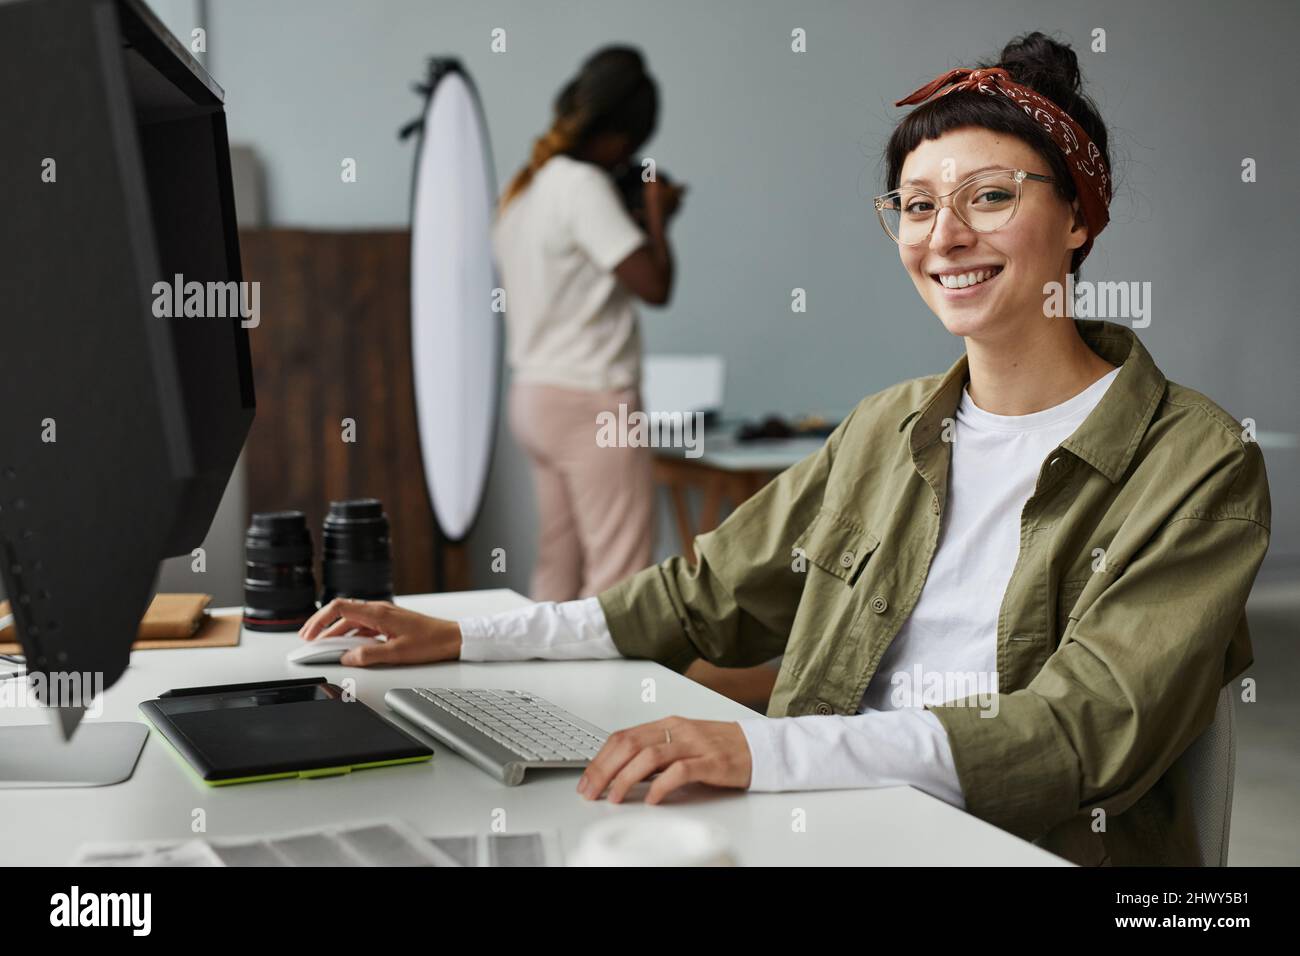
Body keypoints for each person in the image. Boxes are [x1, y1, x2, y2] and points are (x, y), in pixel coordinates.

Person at [300, 33, 1270, 866]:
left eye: (988, 196)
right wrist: (468, 633)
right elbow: (695, 594)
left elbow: (1081, 731)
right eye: (916, 203)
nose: (944, 235)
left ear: (1078, 217)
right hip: (829, 827)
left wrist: (762, 753)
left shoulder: (1196, 461)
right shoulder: (884, 427)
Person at [492, 46, 683, 602]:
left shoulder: (525, 187)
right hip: (592, 401)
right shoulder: (583, 187)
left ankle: (542, 691)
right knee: (619, 576)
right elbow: (655, 287)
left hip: (534, 397)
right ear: (627, 138)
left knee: (559, 559)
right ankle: (612, 693)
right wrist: (656, 217)